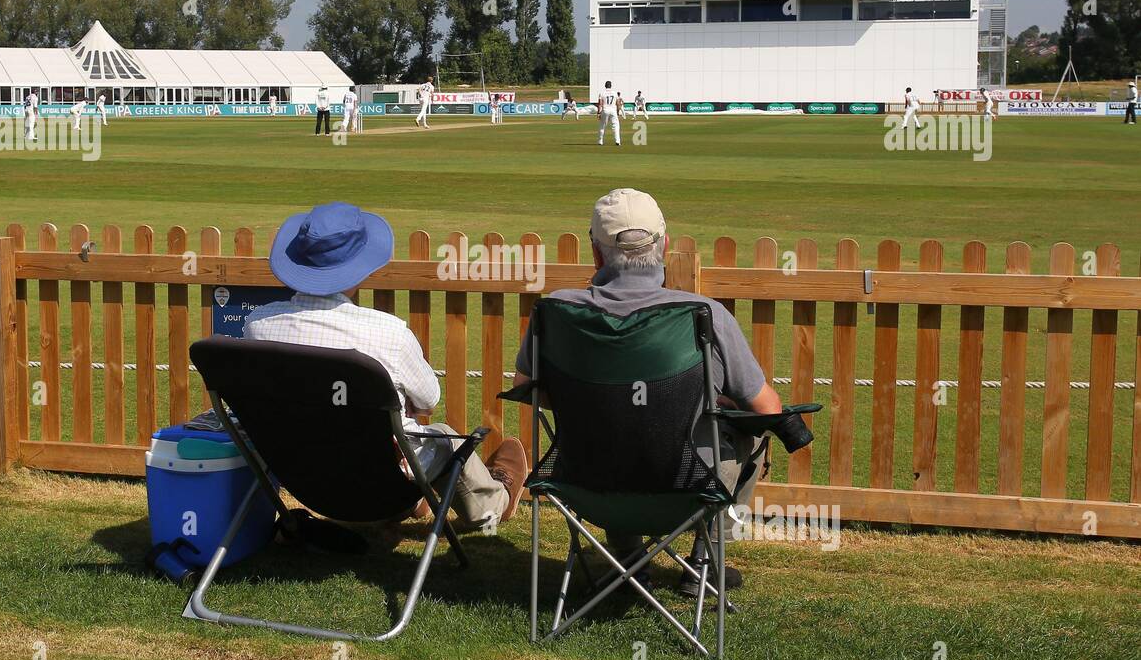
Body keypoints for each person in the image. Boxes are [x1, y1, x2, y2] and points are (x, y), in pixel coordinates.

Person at [511, 189, 784, 593]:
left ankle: (627, 561)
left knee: (614, 425)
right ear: (664, 246)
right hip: (688, 487)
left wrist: (595, 398)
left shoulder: (556, 311)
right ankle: (707, 561)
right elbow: (768, 409)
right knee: (755, 432)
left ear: (596, 253)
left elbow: (526, 390)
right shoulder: (704, 314)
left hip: (587, 483)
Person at [245, 202, 529, 532]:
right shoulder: (387, 333)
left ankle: (411, 499)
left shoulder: (257, 325)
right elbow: (428, 400)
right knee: (445, 437)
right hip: (383, 477)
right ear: (359, 267)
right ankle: (494, 504)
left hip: (301, 472)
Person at [597, 79, 620, 146]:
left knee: (602, 126)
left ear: (605, 86)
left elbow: (600, 104)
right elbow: (618, 103)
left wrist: (598, 113)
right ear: (611, 86)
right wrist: (618, 112)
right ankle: (617, 141)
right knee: (615, 126)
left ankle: (600, 141)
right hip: (613, 110)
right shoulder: (615, 93)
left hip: (605, 110)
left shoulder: (602, 93)